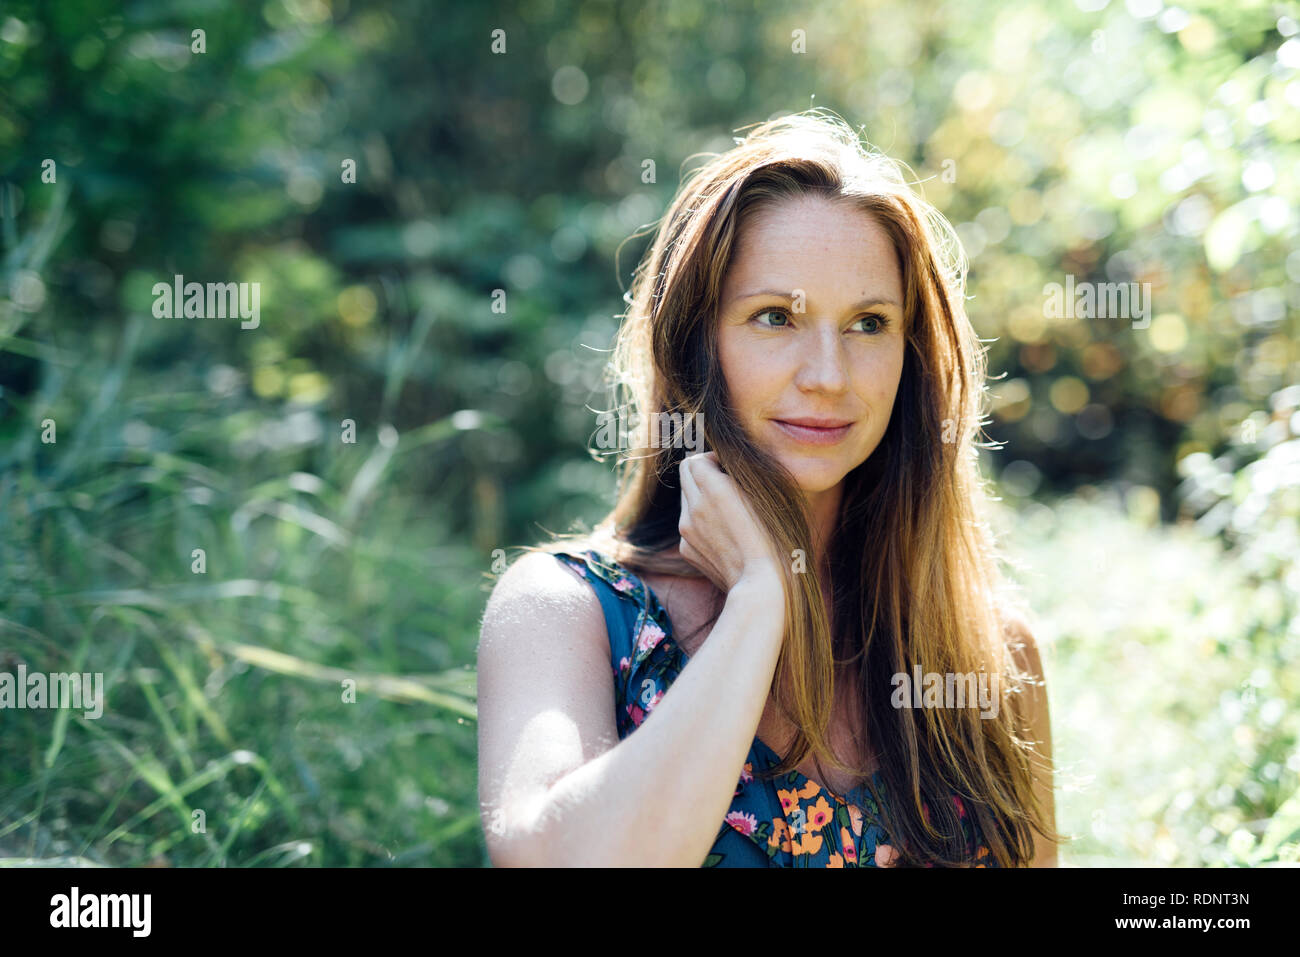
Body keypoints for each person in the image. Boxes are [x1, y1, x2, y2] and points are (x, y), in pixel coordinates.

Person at [476, 110, 1063, 867]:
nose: (827, 375)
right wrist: (758, 604)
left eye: (868, 323)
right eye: (776, 316)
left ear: (909, 357)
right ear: (697, 347)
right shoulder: (566, 613)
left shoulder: (990, 657)